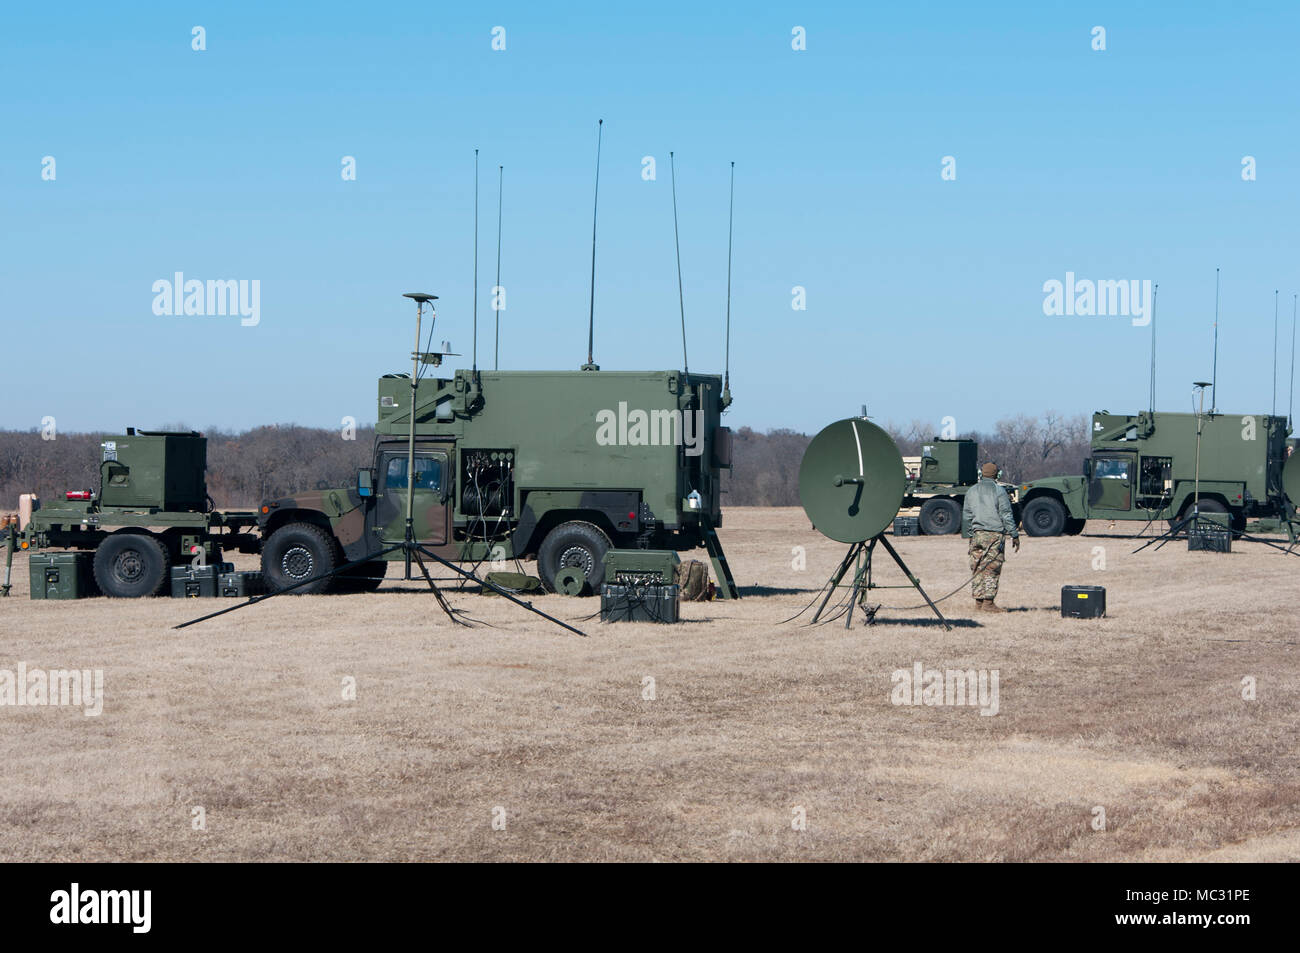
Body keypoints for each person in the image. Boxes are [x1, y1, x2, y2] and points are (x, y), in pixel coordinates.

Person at [961, 462, 1019, 612]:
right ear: (996, 475)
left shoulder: (971, 491)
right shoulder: (999, 491)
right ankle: (988, 603)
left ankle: (979, 602)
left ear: (981, 473)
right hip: (994, 535)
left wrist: (969, 535)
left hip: (977, 535)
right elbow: (1006, 515)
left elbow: (967, 515)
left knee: (977, 567)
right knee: (992, 567)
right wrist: (1014, 534)